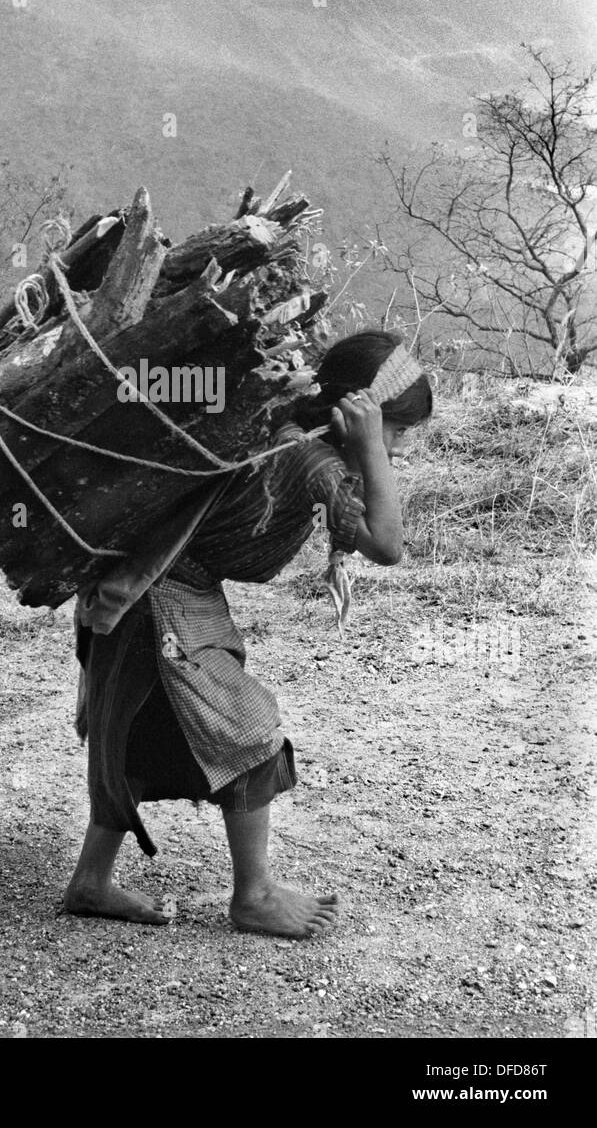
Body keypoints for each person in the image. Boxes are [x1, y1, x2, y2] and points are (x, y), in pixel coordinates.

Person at [65, 330, 433, 938]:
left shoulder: (300, 438)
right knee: (249, 729)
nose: (395, 444)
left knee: (139, 732)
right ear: (355, 413)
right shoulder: (309, 457)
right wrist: (371, 447)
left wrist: (367, 446)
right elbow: (388, 546)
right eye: (394, 428)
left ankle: (90, 881)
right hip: (155, 595)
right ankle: (253, 895)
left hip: (173, 589)